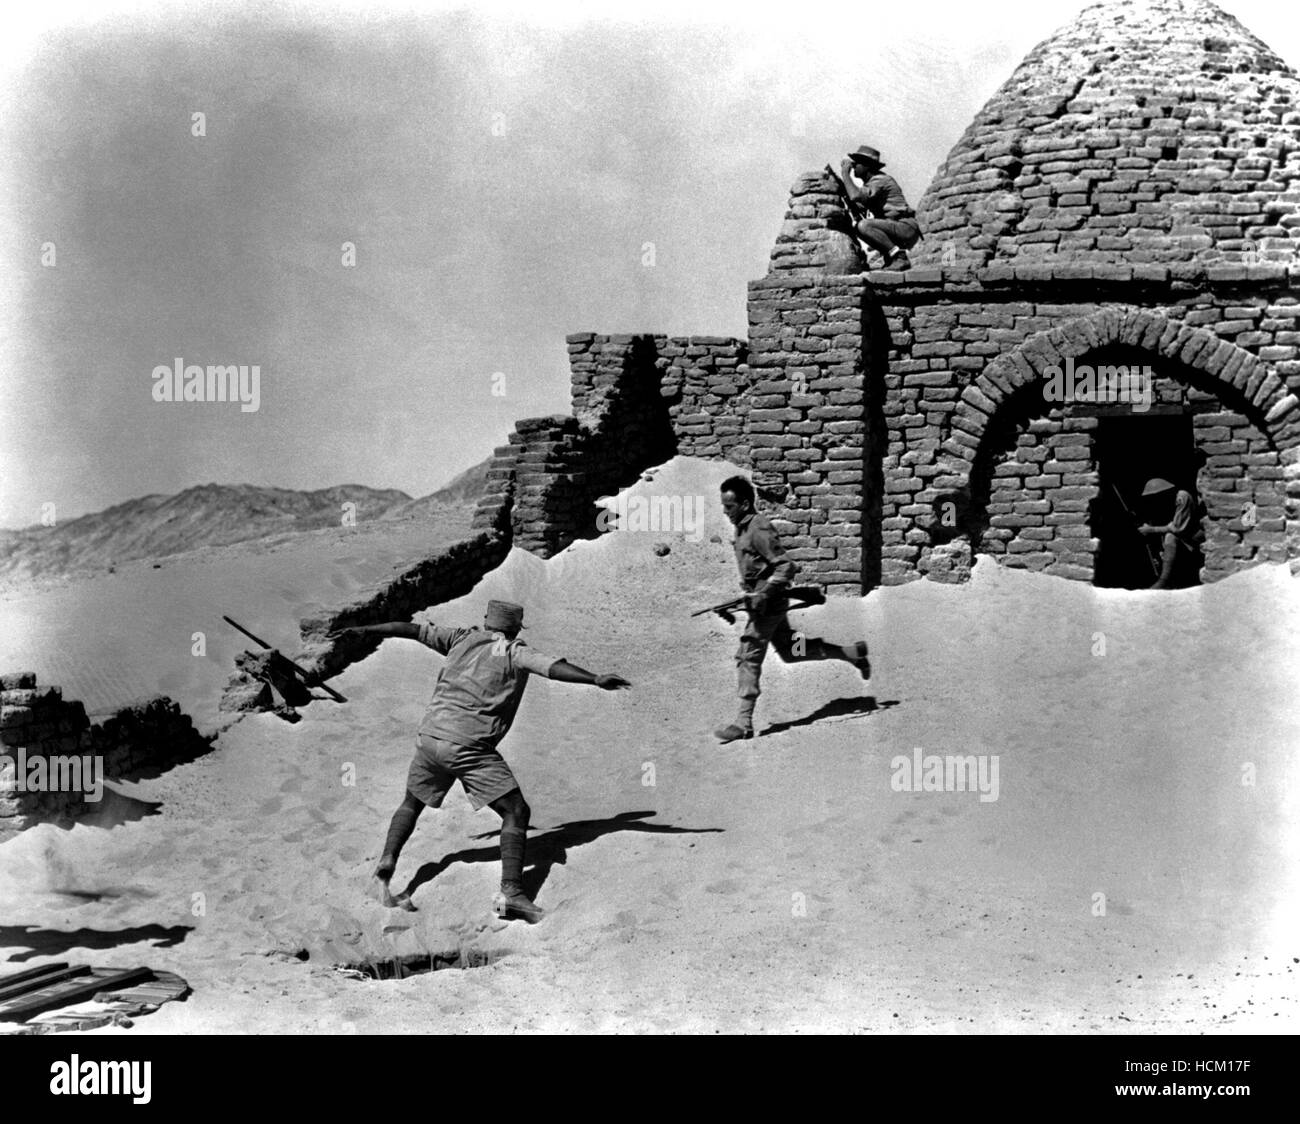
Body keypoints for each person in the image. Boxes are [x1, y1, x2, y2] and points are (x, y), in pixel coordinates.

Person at [331, 600, 630, 921]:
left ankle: (387, 862)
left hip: (431, 736)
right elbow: (553, 668)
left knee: (410, 804)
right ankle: (512, 892)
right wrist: (594, 678)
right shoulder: (515, 650)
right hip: (468, 745)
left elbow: (408, 630)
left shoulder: (460, 638)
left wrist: (365, 630)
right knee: (516, 811)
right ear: (516, 627)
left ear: (487, 620)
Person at [713, 476, 872, 743]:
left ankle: (743, 723)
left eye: (729, 506)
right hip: (761, 604)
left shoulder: (759, 528)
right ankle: (851, 653)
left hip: (769, 606)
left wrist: (763, 593)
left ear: (743, 504)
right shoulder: (741, 528)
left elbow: (785, 566)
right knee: (790, 652)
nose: (725, 512)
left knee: (747, 655)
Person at [830, 144, 920, 271]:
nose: (853, 166)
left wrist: (845, 174)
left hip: (904, 226)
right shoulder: (870, 185)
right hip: (895, 226)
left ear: (867, 166)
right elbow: (858, 203)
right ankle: (890, 258)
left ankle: (899, 257)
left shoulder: (880, 180)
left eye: (857, 163)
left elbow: (855, 195)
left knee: (864, 226)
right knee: (859, 227)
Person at [1137, 478, 1203, 589]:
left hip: (1195, 539)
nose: (1154, 501)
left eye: (1156, 497)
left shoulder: (1182, 497)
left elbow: (1178, 528)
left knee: (1170, 536)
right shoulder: (1162, 507)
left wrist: (1151, 530)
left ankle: (1164, 580)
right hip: (1182, 543)